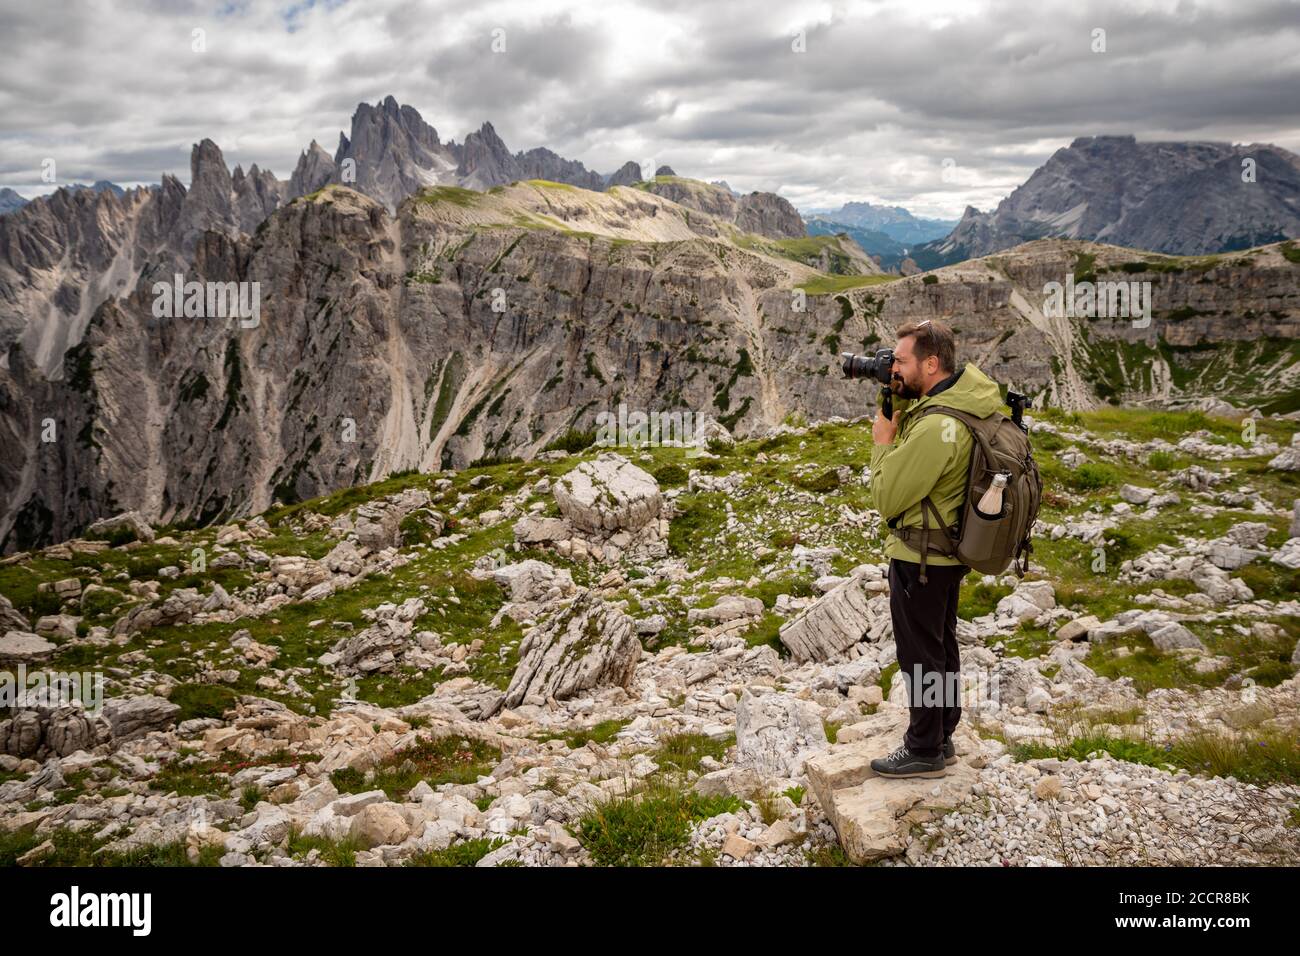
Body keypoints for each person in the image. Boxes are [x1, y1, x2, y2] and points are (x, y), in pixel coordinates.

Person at [867, 319, 1004, 778]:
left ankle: (922, 747)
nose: (894, 369)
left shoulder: (937, 426)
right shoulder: (964, 406)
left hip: (919, 556)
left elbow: (888, 497)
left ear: (931, 363)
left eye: (901, 361)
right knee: (940, 646)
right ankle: (942, 734)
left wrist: (883, 444)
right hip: (947, 554)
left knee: (919, 654)